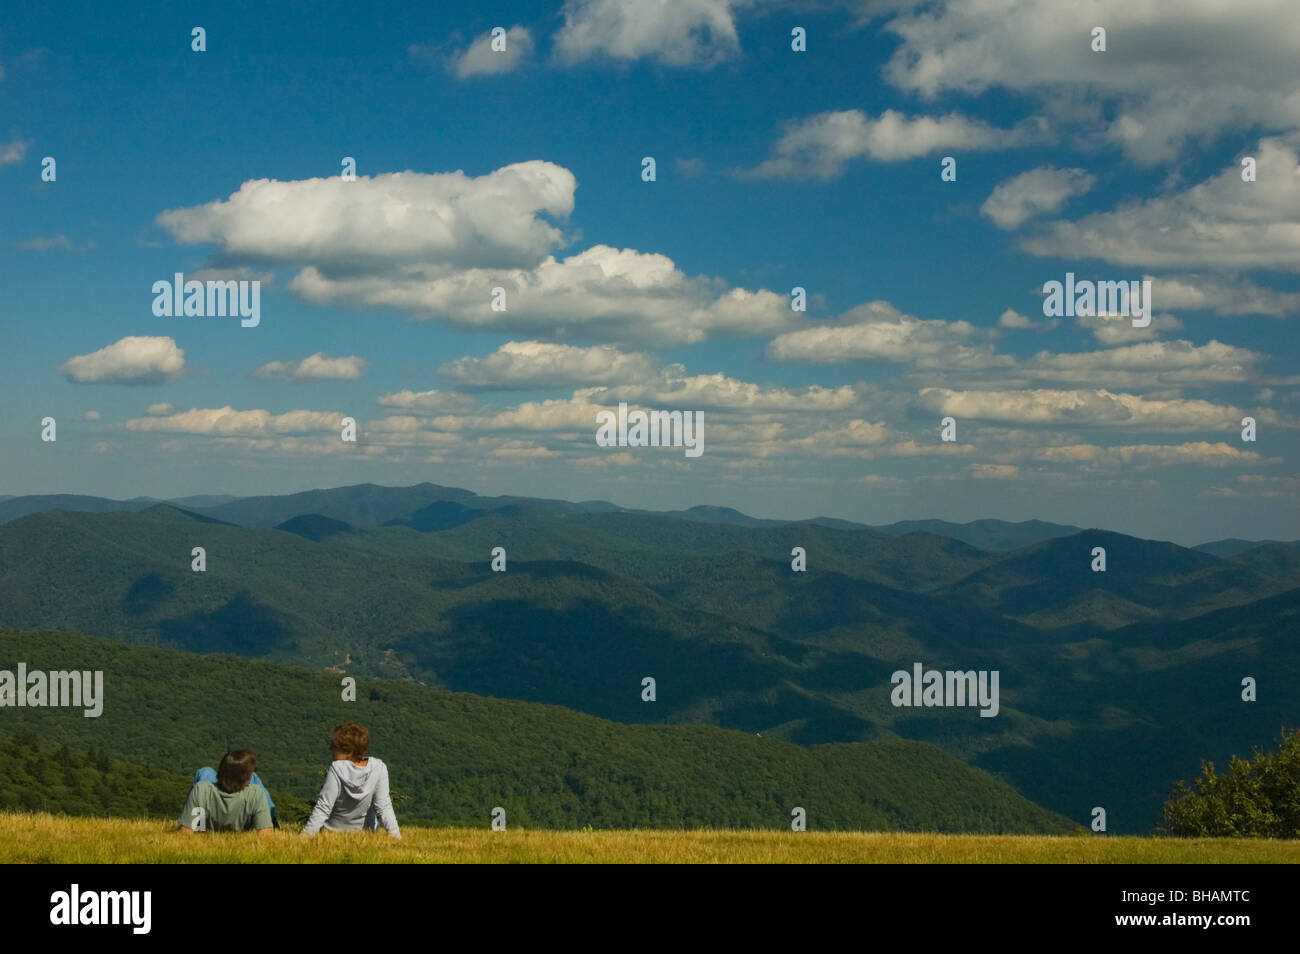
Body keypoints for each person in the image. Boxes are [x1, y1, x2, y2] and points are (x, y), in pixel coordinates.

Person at [301, 722, 401, 838]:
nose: (330, 750)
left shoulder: (336, 769)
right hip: (367, 836)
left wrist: (305, 837)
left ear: (348, 752)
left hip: (332, 835)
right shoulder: (379, 768)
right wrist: (396, 837)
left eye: (334, 746)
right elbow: (384, 807)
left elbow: (323, 807)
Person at [178, 749, 275, 834]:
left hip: (203, 826)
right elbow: (265, 835)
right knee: (255, 777)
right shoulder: (256, 794)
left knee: (205, 771)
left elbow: (186, 831)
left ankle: (186, 817)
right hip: (244, 809)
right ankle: (272, 820)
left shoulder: (201, 789)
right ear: (245, 777)